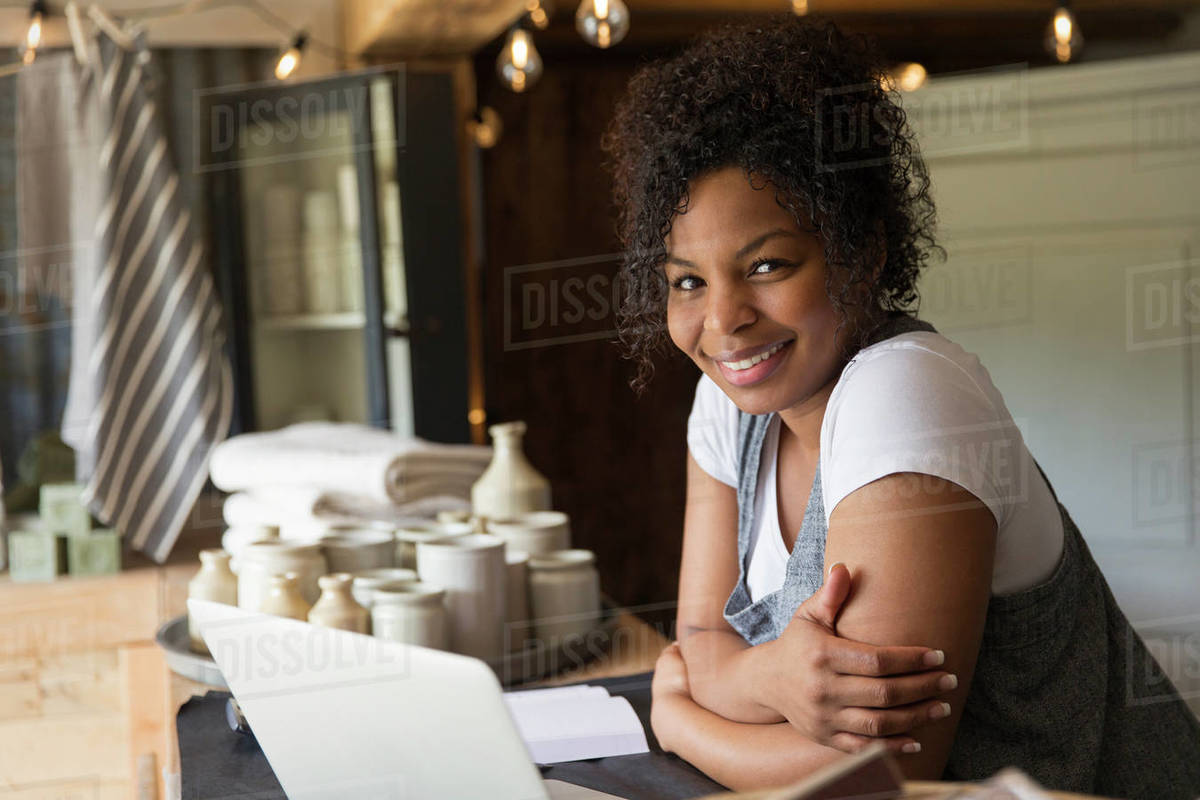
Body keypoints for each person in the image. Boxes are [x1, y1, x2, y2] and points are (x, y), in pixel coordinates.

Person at [601, 16, 1200, 798]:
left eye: (768, 264)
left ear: (863, 251)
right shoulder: (732, 401)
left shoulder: (907, 395)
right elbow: (699, 639)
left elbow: (879, 777)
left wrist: (680, 721)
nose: (723, 321)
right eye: (687, 280)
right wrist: (768, 677)